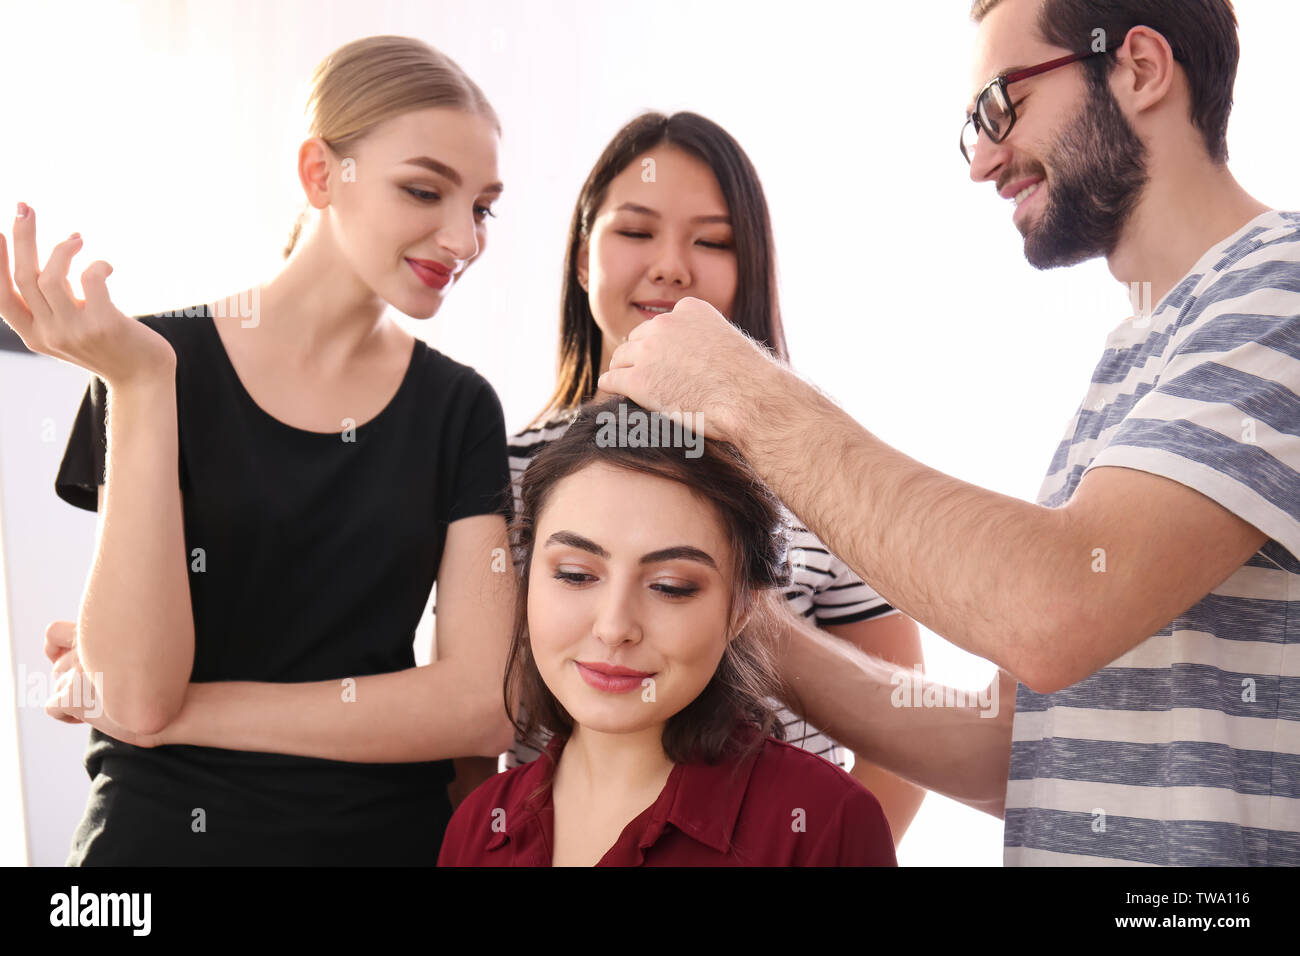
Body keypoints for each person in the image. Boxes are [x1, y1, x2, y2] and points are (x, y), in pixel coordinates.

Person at [596, 0, 1299, 866]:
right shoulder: (1142, 355)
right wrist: (746, 621)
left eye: (1002, 106)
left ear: (1140, 68)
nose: (985, 161)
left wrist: (745, 391)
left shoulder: (1282, 291)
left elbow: (1058, 605)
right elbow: (1012, 752)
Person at [1, 35, 516, 864]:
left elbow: (478, 706)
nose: (465, 239)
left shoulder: (458, 408)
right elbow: (133, 690)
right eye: (426, 190)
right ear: (320, 174)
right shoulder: (151, 362)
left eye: (483, 206)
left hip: (377, 845)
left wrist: (185, 712)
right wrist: (140, 386)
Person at [487, 110, 927, 844]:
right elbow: (478, 725)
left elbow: (907, 733)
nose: (670, 265)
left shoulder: (819, 465)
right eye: (635, 232)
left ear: (749, 266)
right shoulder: (499, 474)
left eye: (712, 241)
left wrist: (817, 848)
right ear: (583, 258)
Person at [437, 396, 897, 866]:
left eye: (670, 587)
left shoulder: (823, 822)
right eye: (576, 574)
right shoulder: (479, 824)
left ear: (742, 608)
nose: (614, 627)